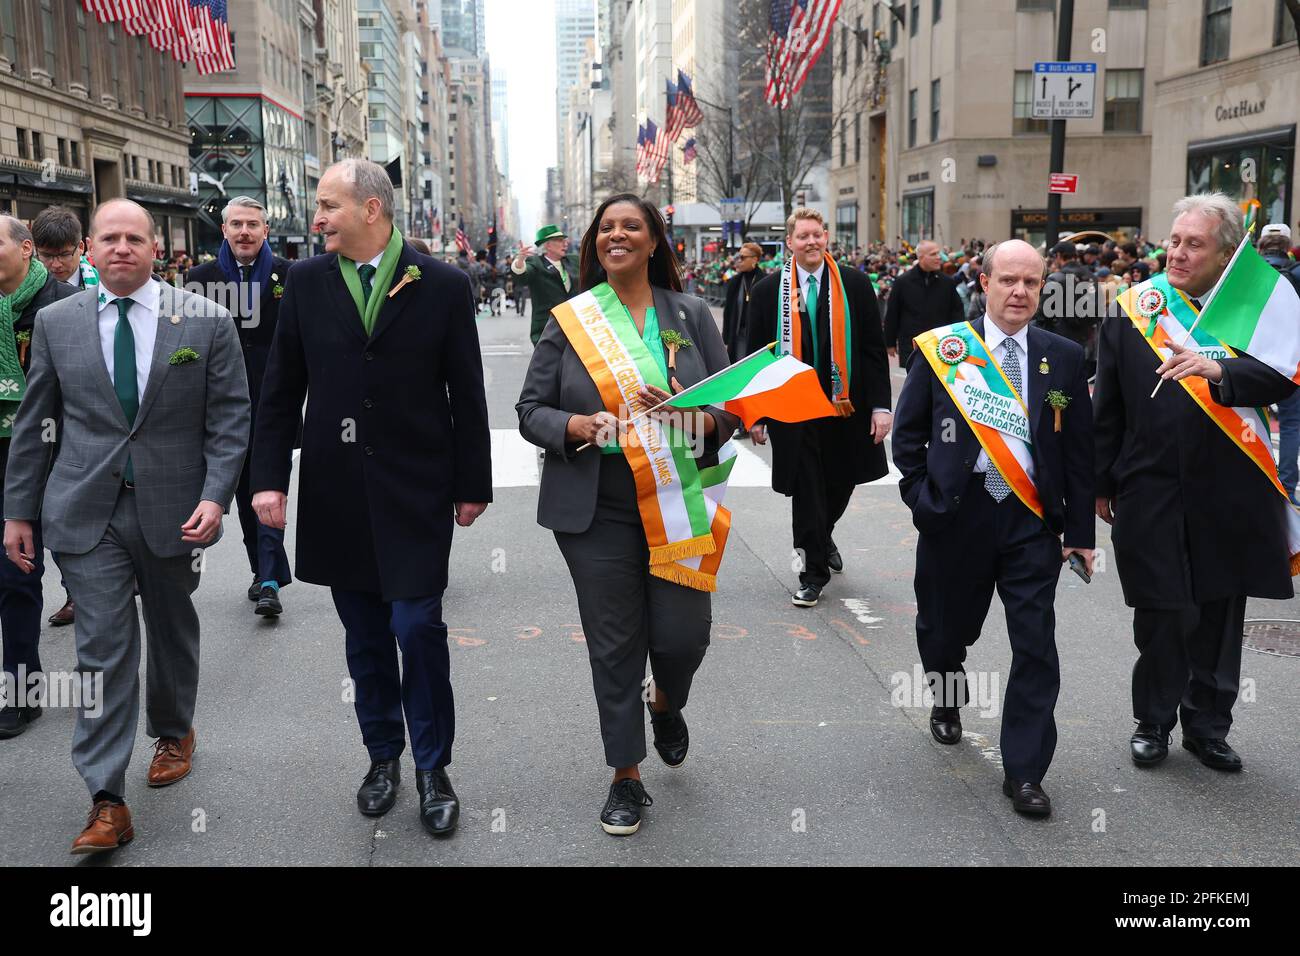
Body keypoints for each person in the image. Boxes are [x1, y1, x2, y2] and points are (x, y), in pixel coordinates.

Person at [251, 158, 492, 839]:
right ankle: (382, 757)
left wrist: (473, 483)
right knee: (363, 639)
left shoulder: (442, 284)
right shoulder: (303, 282)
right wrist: (268, 478)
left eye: (328, 205)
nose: (316, 217)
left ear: (371, 210)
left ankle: (433, 769)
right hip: (336, 490)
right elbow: (279, 390)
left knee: (417, 628)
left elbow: (466, 391)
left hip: (417, 488)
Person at [3, 199, 249, 853]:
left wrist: (217, 496)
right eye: (108, 238)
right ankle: (106, 799)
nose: (121, 248)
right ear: (89, 248)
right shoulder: (58, 323)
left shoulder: (204, 319)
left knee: (171, 631)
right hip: (87, 512)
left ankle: (173, 729)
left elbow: (230, 418)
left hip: (175, 509)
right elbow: (34, 425)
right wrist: (19, 511)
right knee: (102, 651)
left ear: (152, 248)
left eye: (133, 238)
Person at [517, 193, 740, 836]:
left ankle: (665, 700)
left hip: (677, 501)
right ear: (595, 243)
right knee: (615, 645)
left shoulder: (690, 313)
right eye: (607, 228)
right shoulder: (570, 319)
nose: (618, 235)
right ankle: (625, 776)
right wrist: (579, 424)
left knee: (682, 637)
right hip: (597, 508)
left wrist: (690, 415)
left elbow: (729, 410)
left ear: (652, 241)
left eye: (631, 226)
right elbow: (531, 412)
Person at [1094, 193, 1300, 773]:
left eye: (1194, 244)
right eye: (1174, 241)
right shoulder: (1136, 307)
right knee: (1162, 611)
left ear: (1227, 254)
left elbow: (1283, 377)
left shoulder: (1257, 306)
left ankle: (1208, 726)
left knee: (1218, 610)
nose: (1178, 254)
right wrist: (1100, 482)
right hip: (1149, 482)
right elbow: (1108, 405)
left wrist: (1220, 370)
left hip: (1230, 482)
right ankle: (1153, 722)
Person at [892, 239, 1094, 817]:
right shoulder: (943, 350)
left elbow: (1079, 453)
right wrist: (922, 499)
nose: (1019, 292)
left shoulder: (1064, 356)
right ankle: (946, 695)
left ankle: (1026, 771)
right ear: (983, 283)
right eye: (1008, 280)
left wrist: (1079, 531)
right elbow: (908, 438)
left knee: (1036, 645)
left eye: (1031, 282)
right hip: (958, 514)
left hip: (1031, 520)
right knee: (944, 629)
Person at [745, 208, 893, 608]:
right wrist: (754, 413)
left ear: (826, 237)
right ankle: (812, 574)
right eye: (802, 236)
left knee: (841, 483)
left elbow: (873, 351)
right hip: (793, 410)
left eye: (817, 235)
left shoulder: (856, 284)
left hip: (845, 405)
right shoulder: (767, 291)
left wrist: (881, 406)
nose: (811, 242)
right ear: (789, 242)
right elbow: (755, 356)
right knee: (807, 487)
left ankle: (822, 534)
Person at [185, 197, 294, 617]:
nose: (245, 232)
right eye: (237, 225)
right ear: (225, 230)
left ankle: (268, 579)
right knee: (248, 490)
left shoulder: (289, 275)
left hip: (274, 401)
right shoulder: (200, 277)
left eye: (253, 224)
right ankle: (261, 570)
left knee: (267, 486)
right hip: (223, 404)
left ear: (266, 230)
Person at [0, 216, 79, 738]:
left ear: (25, 249)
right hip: (6, 454)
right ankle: (21, 688)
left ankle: (108, 676)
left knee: (82, 571)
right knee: (14, 575)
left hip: (61, 452)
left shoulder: (60, 307)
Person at [28, 205, 89, 627]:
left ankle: (89, 586)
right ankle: (75, 590)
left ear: (81, 249)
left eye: (63, 254)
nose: (54, 264)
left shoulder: (103, 285)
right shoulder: (29, 291)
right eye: (46, 255)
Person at [883, 239, 964, 368]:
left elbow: (957, 312)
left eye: (938, 253)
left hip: (941, 345)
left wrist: (958, 337)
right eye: (933, 254)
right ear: (921, 257)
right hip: (911, 345)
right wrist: (890, 343)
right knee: (915, 385)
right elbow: (893, 313)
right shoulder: (903, 282)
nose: (938, 258)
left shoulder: (946, 282)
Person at [511, 225, 579, 345]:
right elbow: (522, 278)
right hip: (547, 330)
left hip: (575, 327)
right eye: (559, 240)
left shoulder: (574, 261)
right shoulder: (536, 263)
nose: (565, 243)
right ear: (547, 245)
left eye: (565, 240)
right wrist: (520, 261)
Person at [721, 242, 765, 364]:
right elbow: (728, 311)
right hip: (738, 334)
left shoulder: (765, 281)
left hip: (758, 337)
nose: (738, 261)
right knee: (740, 365)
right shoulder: (735, 282)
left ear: (754, 259)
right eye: (738, 257)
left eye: (742, 257)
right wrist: (725, 339)